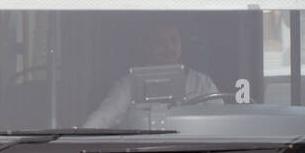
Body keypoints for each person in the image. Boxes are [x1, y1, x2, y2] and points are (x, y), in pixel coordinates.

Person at [85, 20, 220, 128]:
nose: (169, 48)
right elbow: (103, 117)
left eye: (174, 40)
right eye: (161, 41)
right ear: (147, 45)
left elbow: (220, 122)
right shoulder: (129, 85)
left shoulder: (203, 83)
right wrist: (77, 144)